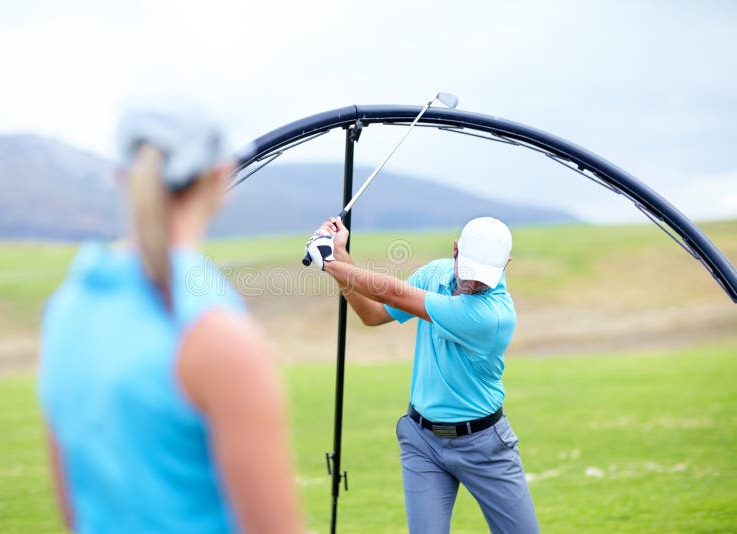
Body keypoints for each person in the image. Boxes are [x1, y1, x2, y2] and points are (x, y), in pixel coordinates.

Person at [38, 104, 304, 533]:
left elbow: (77, 512)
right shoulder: (220, 337)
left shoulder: (66, 308)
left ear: (122, 178)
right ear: (220, 176)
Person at [305, 216, 539, 534]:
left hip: (485, 446)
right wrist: (340, 257)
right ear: (455, 251)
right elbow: (373, 314)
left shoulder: (493, 316)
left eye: (482, 278)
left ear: (505, 265)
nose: (473, 285)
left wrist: (330, 262)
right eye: (468, 273)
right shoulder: (434, 274)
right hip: (422, 442)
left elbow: (394, 294)